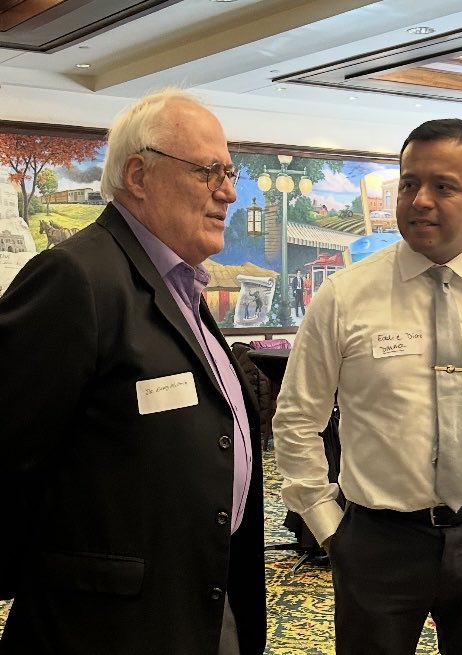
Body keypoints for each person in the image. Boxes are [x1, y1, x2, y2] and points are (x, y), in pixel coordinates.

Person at [273, 118, 462, 655]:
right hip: (377, 542)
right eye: (409, 183)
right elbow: (297, 418)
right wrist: (326, 524)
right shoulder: (344, 297)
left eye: (443, 186)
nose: (420, 200)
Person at [0, 88, 267, 654]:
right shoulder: (76, 278)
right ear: (139, 175)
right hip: (104, 630)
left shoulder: (182, 286)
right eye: (208, 171)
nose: (228, 191)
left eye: (229, 172)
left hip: (201, 603)